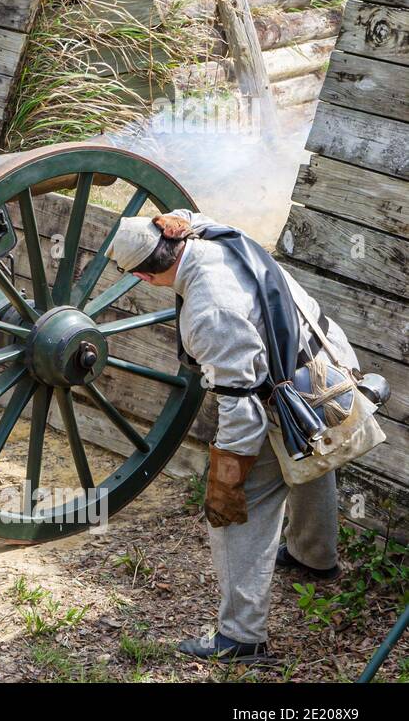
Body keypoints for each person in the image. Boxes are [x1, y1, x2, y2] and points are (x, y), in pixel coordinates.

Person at [107, 209, 360, 662]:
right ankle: (314, 556)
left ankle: (241, 636)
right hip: (326, 367)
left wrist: (230, 475)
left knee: (238, 514)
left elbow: (242, 408)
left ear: (145, 277)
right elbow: (194, 217)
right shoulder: (217, 236)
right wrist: (179, 216)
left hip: (289, 394)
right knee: (310, 453)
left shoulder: (208, 313)